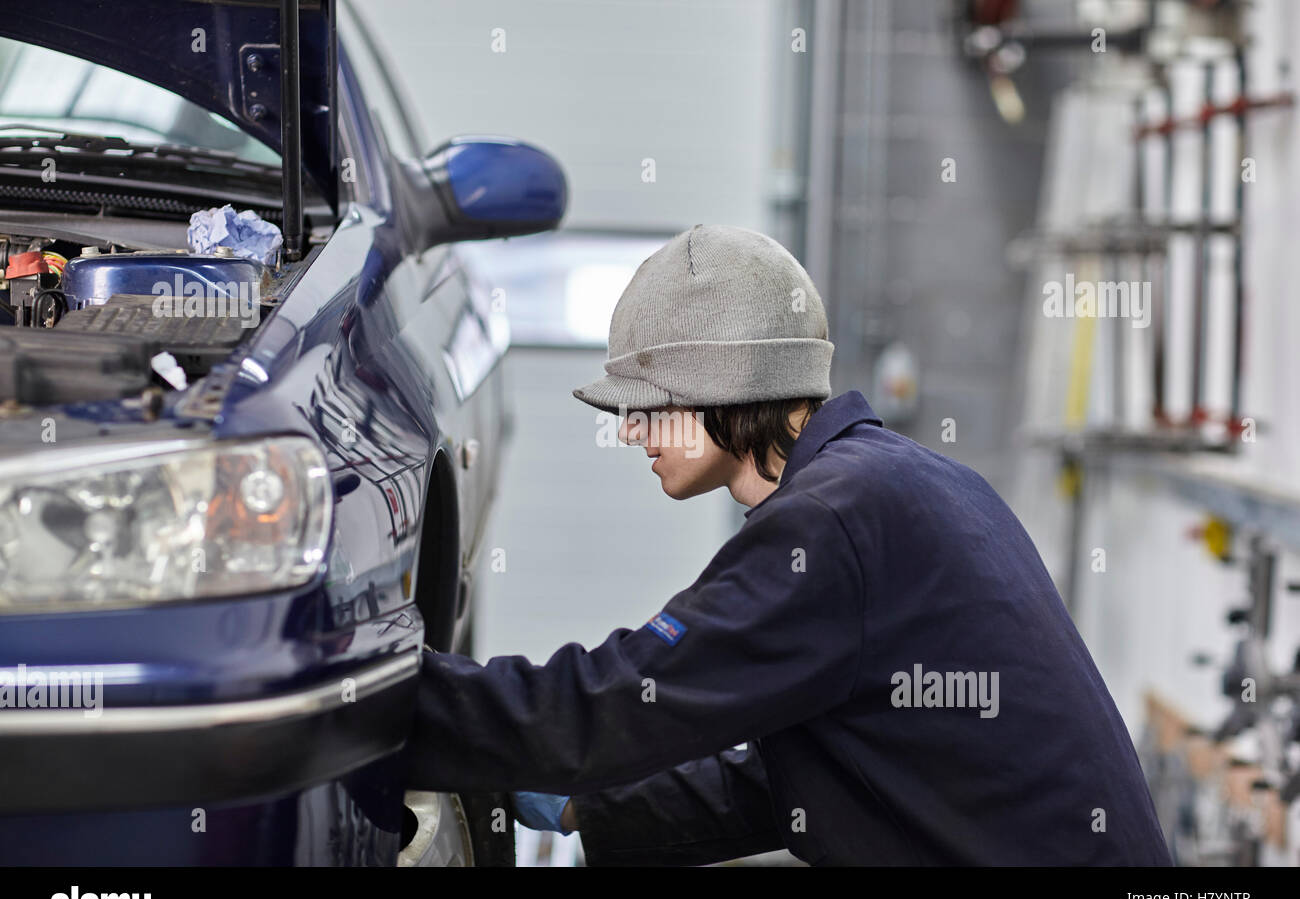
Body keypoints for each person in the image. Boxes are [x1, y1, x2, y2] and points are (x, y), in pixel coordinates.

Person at [404, 224, 1173, 866]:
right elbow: (790, 780)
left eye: (650, 404)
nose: (631, 429)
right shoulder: (906, 483)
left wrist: (389, 700)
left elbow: (625, 695)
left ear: (729, 383)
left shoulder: (832, 522)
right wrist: (582, 802)